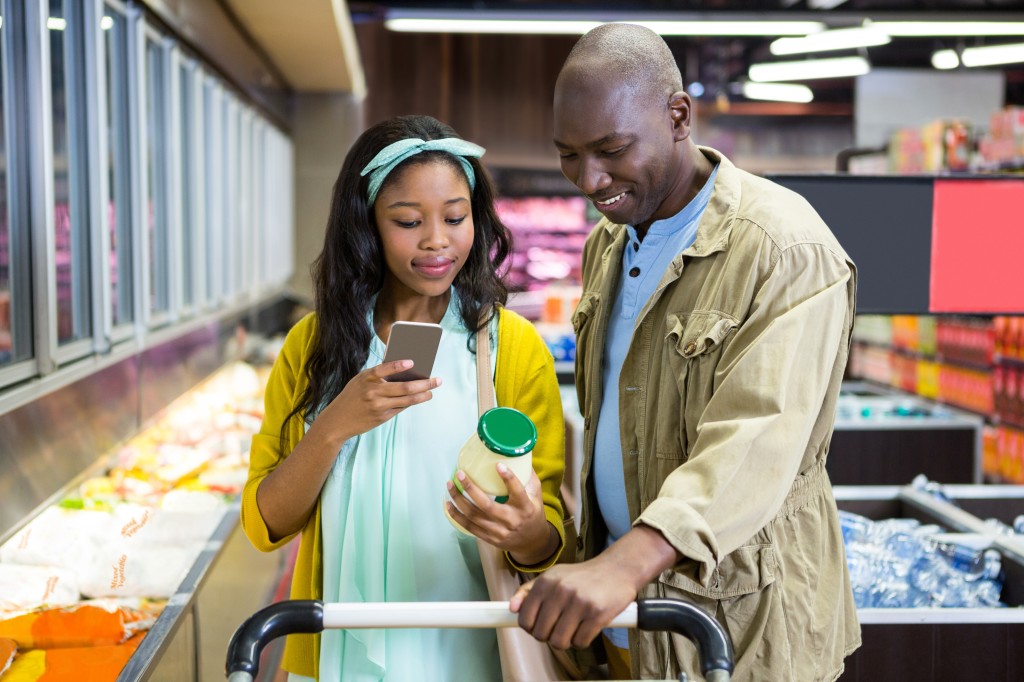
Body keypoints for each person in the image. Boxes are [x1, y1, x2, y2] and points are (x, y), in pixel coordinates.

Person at [510, 23, 861, 681]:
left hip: (739, 629)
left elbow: (759, 435)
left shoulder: (785, 249)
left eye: (611, 149)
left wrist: (627, 560)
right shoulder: (608, 247)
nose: (590, 180)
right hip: (626, 617)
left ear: (678, 116)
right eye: (568, 155)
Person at [241, 115, 568, 681]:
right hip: (333, 654)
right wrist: (333, 426)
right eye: (408, 221)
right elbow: (266, 522)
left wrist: (527, 529)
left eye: (456, 217)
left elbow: (550, 541)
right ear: (367, 226)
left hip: (471, 655)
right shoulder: (312, 347)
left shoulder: (511, 349)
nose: (437, 240)